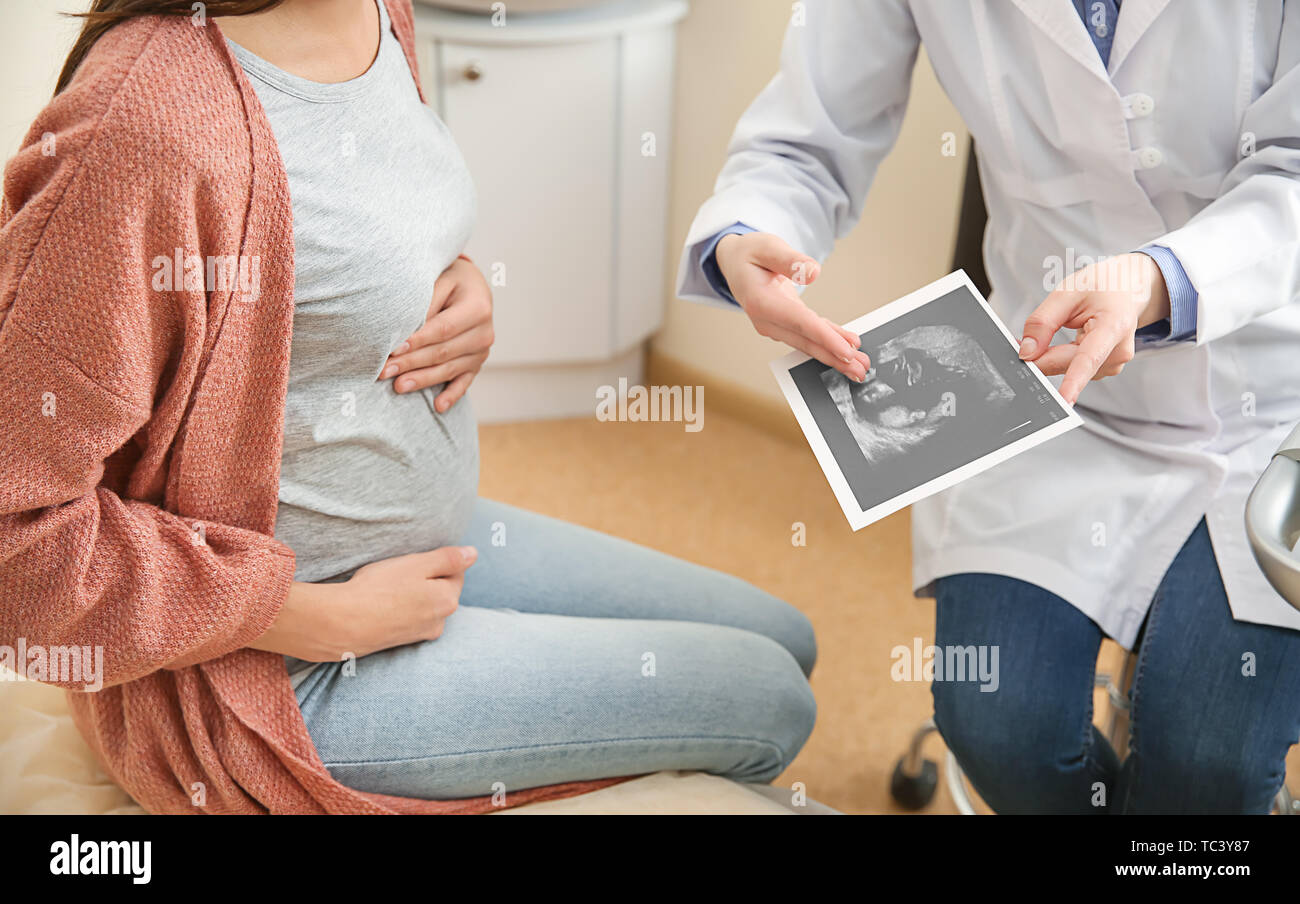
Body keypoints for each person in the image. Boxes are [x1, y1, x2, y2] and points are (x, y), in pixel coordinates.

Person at [0, 0, 815, 814]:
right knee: (775, 699)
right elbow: (15, 545)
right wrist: (301, 615)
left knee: (789, 637)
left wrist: (458, 282)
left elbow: (344, 234)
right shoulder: (144, 125)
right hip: (274, 670)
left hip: (428, 547)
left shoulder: (377, 11)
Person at [679, 0, 1300, 814]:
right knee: (999, 726)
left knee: (1208, 764)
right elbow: (806, 135)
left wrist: (1161, 279)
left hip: (1277, 392)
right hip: (1052, 381)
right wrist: (747, 234)